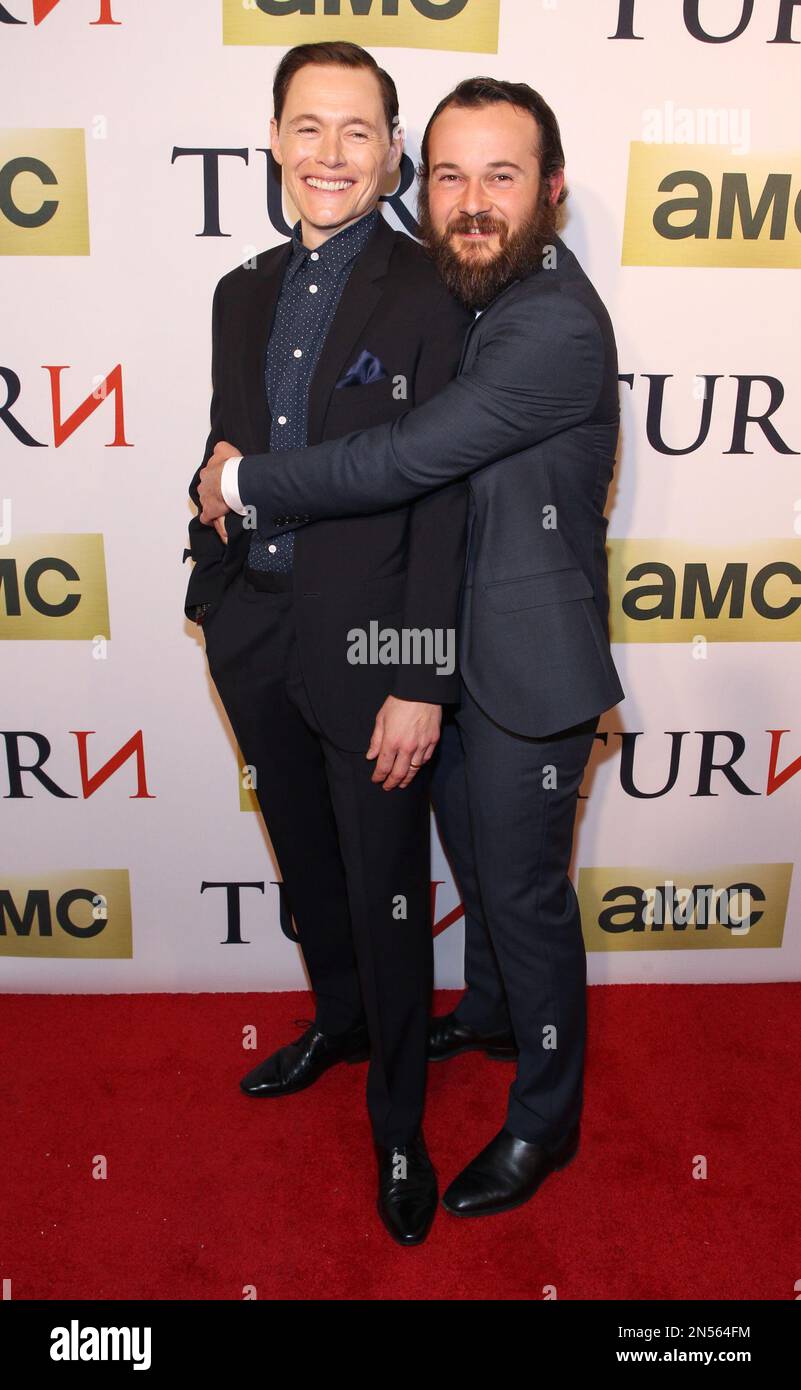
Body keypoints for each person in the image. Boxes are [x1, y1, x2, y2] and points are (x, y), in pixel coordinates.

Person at [198, 77, 626, 1219]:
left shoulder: (551, 326)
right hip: (439, 641)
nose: (473, 200)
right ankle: (487, 1012)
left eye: (503, 175)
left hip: (524, 660)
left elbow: (400, 459)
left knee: (525, 892)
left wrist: (239, 481)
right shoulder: (466, 283)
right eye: (452, 175)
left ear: (554, 188)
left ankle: (545, 1122)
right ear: (419, 181)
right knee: (482, 873)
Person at [184, 42, 472, 1245]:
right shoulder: (239, 289)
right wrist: (204, 501)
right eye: (309, 128)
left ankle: (400, 1119)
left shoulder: (432, 292)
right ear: (272, 139)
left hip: (373, 647)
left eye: (358, 132)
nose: (331, 155)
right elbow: (232, 446)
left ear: (394, 153)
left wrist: (418, 675)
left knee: (387, 888)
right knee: (309, 867)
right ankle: (341, 1022)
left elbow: (446, 499)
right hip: (253, 623)